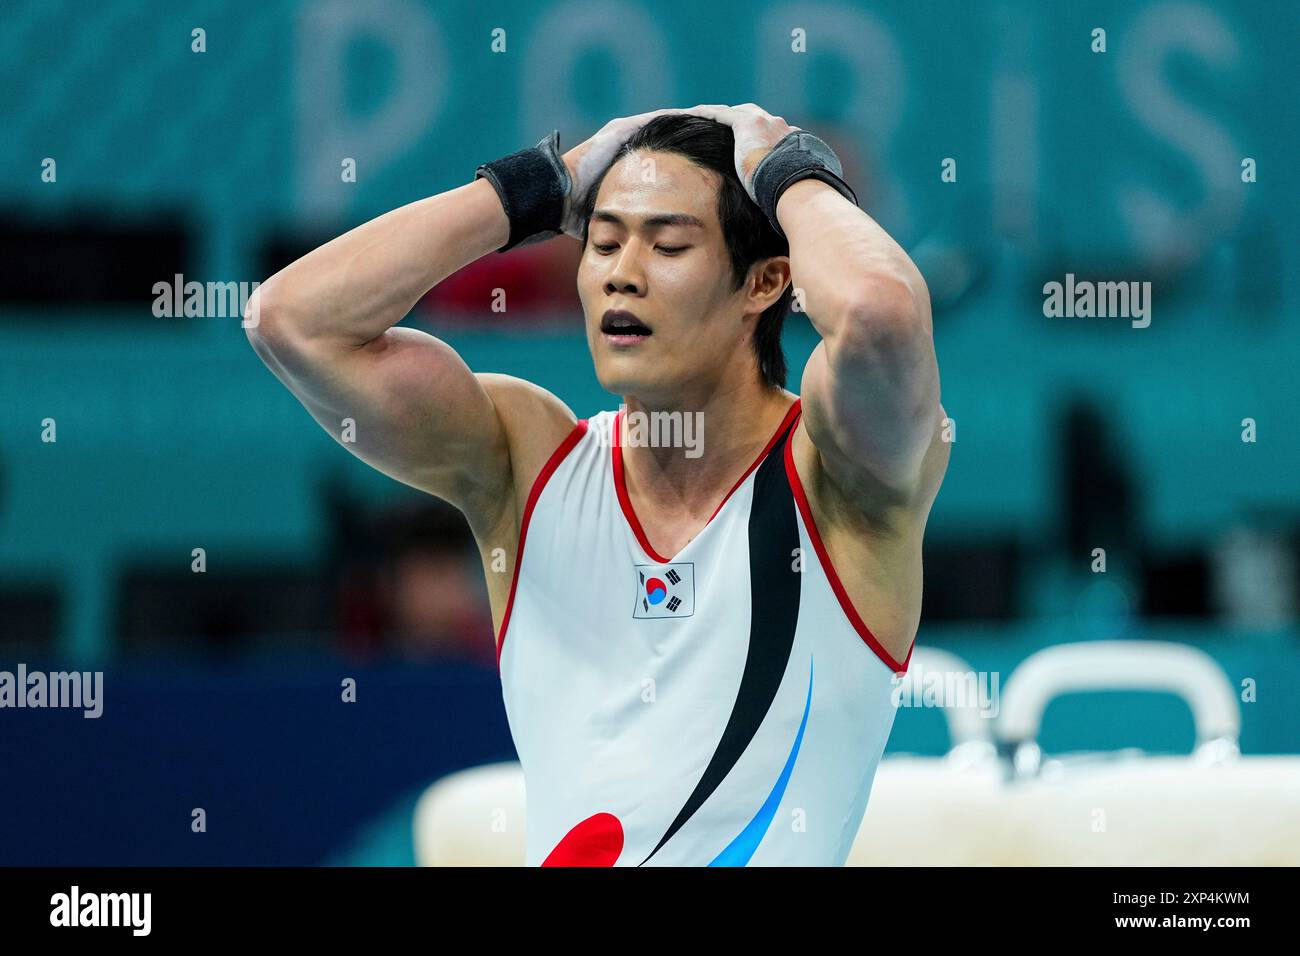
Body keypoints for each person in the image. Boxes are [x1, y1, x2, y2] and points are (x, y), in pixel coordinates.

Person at [245, 104, 949, 866]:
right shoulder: (526, 464)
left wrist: (789, 172)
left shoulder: (836, 479)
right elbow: (288, 320)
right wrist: (537, 187)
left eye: (668, 245)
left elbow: (880, 315)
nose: (622, 273)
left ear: (766, 282)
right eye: (603, 241)